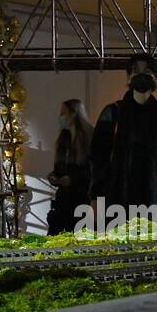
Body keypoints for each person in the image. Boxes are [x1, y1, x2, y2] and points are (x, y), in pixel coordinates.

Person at [88, 54, 157, 225]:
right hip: (118, 198)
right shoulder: (113, 113)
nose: (140, 75)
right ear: (128, 77)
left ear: (155, 77)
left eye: (147, 71)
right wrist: (96, 197)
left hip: (155, 198)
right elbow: (98, 159)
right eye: (135, 71)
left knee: (153, 247)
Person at [45, 99, 93, 235]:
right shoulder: (63, 139)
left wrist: (73, 180)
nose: (60, 117)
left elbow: (92, 171)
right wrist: (54, 176)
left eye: (63, 113)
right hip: (63, 202)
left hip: (81, 201)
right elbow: (59, 169)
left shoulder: (88, 139)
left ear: (73, 114)